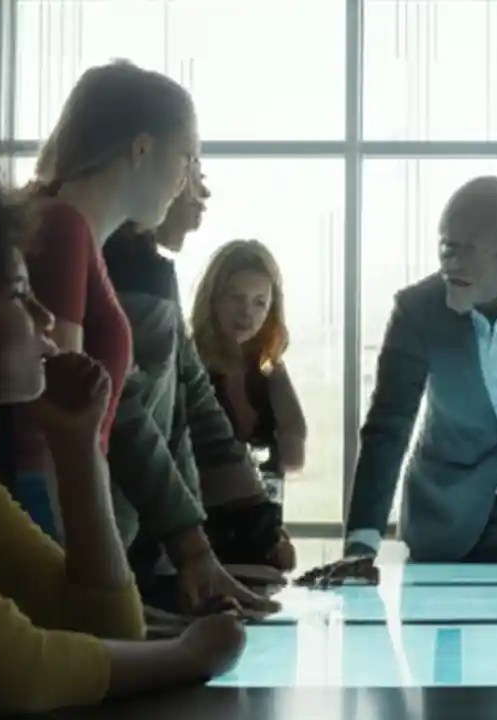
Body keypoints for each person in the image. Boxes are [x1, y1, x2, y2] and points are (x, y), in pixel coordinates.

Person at [0, 161, 244, 713]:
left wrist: (78, 450)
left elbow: (107, 626)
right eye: (18, 294)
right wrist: (191, 655)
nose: (46, 317)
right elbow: (17, 669)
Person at [0, 59, 274, 616]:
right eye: (186, 158)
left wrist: (190, 546)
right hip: (50, 506)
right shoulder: (64, 230)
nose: (188, 180)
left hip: (58, 503)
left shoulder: (77, 235)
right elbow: (55, 414)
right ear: (141, 149)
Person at [301, 175, 497, 585]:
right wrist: (362, 545)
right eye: (446, 246)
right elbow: (389, 426)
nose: (451, 262)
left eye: (465, 250)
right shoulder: (416, 310)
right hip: (440, 525)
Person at [103, 162, 295, 618]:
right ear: (142, 152)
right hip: (125, 534)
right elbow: (133, 420)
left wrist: (260, 525)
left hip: (153, 540)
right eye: (189, 167)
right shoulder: (132, 273)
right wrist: (194, 549)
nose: (202, 192)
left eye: (259, 302)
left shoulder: (153, 271)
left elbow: (200, 410)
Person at [190, 238, 307, 497]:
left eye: (259, 302)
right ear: (214, 299)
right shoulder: (190, 362)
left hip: (261, 516)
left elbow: (295, 455)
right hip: (200, 517)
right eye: (236, 298)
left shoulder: (266, 365)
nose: (246, 313)